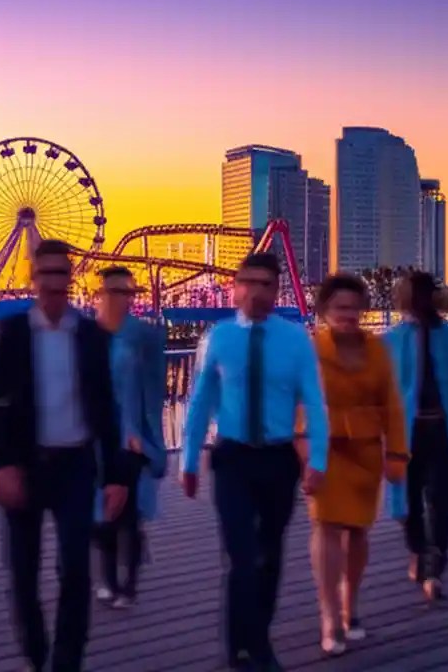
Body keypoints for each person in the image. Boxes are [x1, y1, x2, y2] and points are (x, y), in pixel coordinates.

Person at [0, 239, 130, 672]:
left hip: (75, 466)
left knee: (76, 572)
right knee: (24, 574)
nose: (53, 283)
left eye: (61, 274)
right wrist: (1, 466)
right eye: (45, 274)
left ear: (71, 278)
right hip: (25, 466)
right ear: (33, 278)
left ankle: (66, 662)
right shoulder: (10, 334)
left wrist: (116, 474)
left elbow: (106, 407)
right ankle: (35, 653)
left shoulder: (88, 336)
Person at [181, 252, 329, 672]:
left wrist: (317, 458)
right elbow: (201, 400)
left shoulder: (296, 338)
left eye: (268, 284)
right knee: (241, 556)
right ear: (235, 286)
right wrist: (188, 460)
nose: (258, 292)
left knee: (270, 555)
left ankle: (257, 637)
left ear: (277, 289)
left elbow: (315, 402)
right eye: (250, 282)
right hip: (232, 458)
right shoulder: (218, 338)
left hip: (280, 460)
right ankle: (244, 649)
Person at [300, 274, 406, 656]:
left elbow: (392, 404)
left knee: (358, 533)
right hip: (325, 453)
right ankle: (329, 614)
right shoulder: (311, 351)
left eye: (354, 307)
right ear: (325, 311)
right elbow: (302, 404)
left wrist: (397, 453)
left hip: (365, 453)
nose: (348, 315)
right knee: (326, 526)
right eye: (340, 308)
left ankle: (351, 604)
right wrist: (305, 454)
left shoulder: (376, 350)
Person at [382, 271, 448, 603]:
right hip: (404, 433)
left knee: (441, 501)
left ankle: (434, 568)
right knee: (407, 502)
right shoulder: (392, 340)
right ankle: (418, 551)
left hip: (443, 428)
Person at [92, 266, 168, 610]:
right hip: (95, 439)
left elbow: (154, 389)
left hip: (131, 436)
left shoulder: (143, 336)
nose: (120, 298)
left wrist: (149, 437)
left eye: (126, 292)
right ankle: (107, 579)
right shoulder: (87, 334)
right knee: (101, 515)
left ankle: (129, 584)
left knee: (128, 514)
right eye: (113, 291)